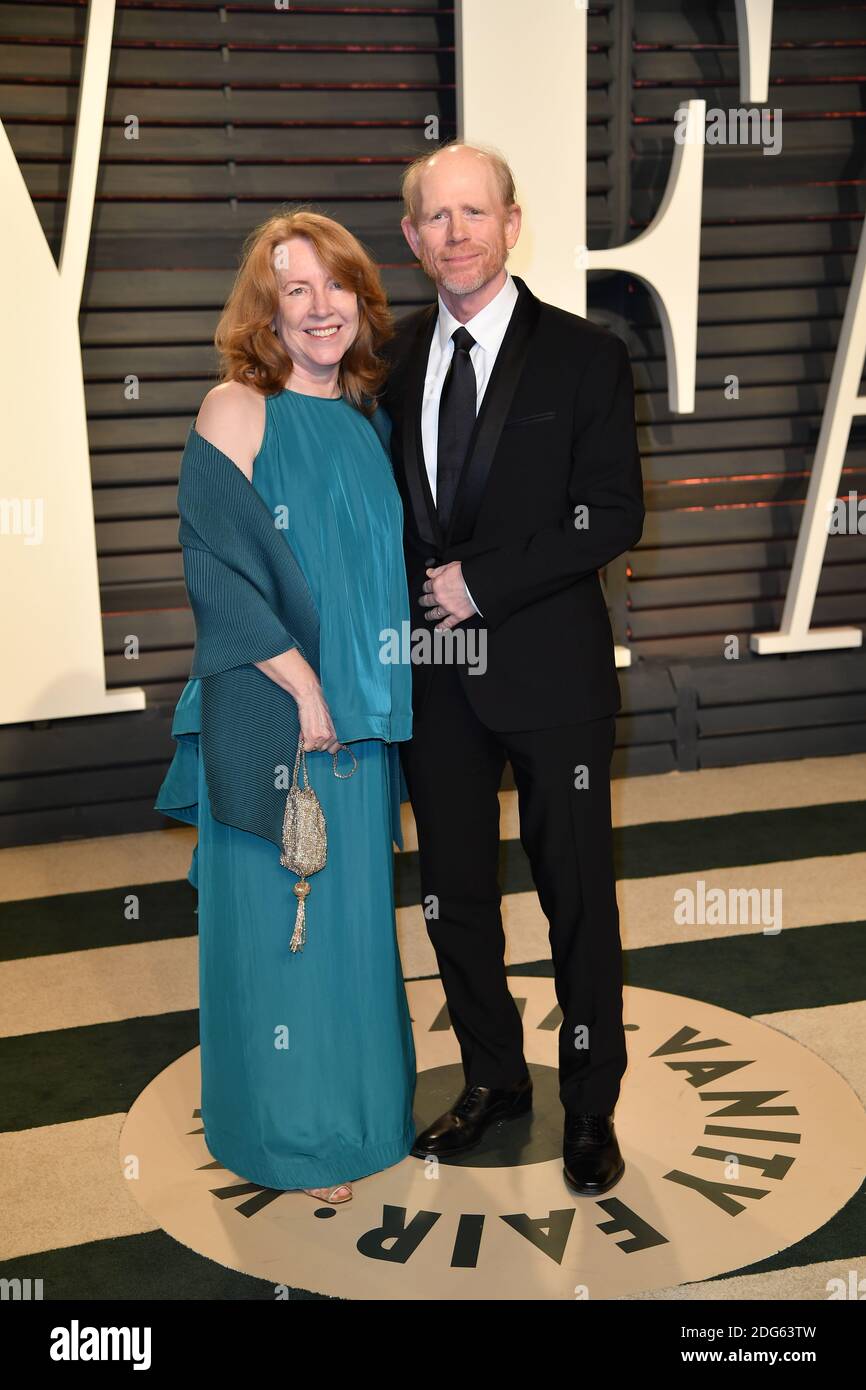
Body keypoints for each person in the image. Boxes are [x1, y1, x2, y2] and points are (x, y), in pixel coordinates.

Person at [380, 141, 645, 1195]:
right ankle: (494, 1079)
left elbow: (612, 514)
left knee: (576, 896)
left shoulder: (585, 356)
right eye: (434, 218)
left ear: (510, 221)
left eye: (472, 213)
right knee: (454, 895)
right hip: (434, 676)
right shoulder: (390, 364)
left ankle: (589, 1106)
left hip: (552, 679)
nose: (455, 234)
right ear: (410, 237)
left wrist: (480, 585)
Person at [155, 210, 416, 1204]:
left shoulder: (364, 422)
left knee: (349, 929)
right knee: (283, 929)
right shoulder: (238, 406)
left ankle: (359, 1116)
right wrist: (304, 686)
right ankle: (293, 1135)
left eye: (334, 285)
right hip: (279, 716)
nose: (318, 307)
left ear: (359, 297)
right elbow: (216, 571)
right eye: (292, 289)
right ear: (265, 310)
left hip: (360, 721)